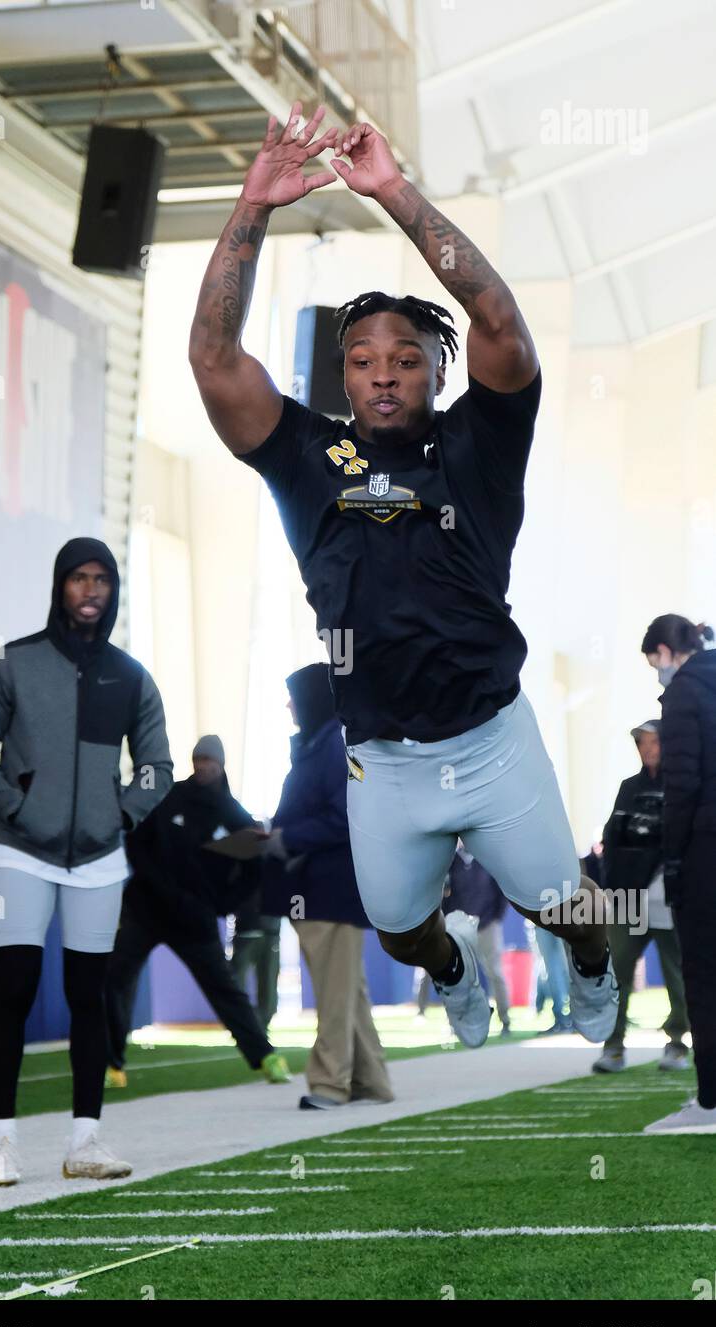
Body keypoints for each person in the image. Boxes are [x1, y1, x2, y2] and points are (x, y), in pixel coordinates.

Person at [189, 101, 617, 1053]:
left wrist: (390, 191)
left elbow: (500, 320)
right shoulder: (303, 457)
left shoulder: (477, 444)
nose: (385, 374)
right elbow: (213, 357)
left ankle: (589, 962)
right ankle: (456, 967)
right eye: (363, 360)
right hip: (380, 755)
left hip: (492, 738)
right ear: (342, 378)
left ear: (434, 373)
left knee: (565, 909)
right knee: (397, 926)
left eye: (407, 360)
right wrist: (254, 204)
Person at [0, 538, 172, 1184]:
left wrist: (123, 812)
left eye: (102, 580)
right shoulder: (11, 663)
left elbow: (157, 765)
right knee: (13, 991)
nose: (91, 590)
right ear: (60, 586)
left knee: (88, 998)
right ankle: (1, 1145)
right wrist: (14, 809)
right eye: (79, 578)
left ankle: (86, 1143)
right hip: (22, 852)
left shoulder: (131, 676)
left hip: (100, 859)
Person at [105, 735, 291, 1087]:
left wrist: (222, 905)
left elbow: (253, 871)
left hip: (194, 919)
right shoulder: (166, 797)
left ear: (221, 766)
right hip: (146, 909)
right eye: (198, 759)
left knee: (225, 989)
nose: (203, 766)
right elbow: (137, 845)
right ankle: (112, 1065)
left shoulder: (234, 814)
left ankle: (266, 1057)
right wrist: (159, 887)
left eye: (210, 760)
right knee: (115, 979)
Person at [259, 662, 393, 1110]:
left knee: (335, 994)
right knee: (346, 990)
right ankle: (372, 1082)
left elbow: (344, 815)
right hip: (320, 890)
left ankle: (330, 1083)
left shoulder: (334, 747)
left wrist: (288, 837)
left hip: (329, 890)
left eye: (294, 695)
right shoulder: (324, 744)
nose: (289, 705)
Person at [639, 615, 716, 1134]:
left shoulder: (685, 693)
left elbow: (682, 785)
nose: (656, 673)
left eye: (654, 663)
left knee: (704, 975)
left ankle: (710, 1100)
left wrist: (672, 856)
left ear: (666, 651)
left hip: (705, 848)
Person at [593, 719, 689, 1075]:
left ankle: (677, 1042)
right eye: (642, 743)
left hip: (669, 897)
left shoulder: (684, 786)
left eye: (654, 742)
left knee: (677, 973)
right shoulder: (628, 788)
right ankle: (613, 1046)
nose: (648, 749)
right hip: (627, 897)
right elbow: (612, 839)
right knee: (615, 968)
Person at [441, 844, 511, 1035]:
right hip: (460, 926)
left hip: (487, 924)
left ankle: (505, 1020)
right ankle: (459, 1023)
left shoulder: (487, 856)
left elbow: (501, 890)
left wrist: (495, 918)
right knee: (459, 977)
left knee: (495, 972)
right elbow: (445, 893)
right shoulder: (450, 860)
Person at [228, 888, 282, 1034]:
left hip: (270, 933)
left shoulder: (278, 868)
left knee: (268, 982)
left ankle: (260, 1025)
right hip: (246, 931)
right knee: (237, 983)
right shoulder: (243, 868)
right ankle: (244, 1023)